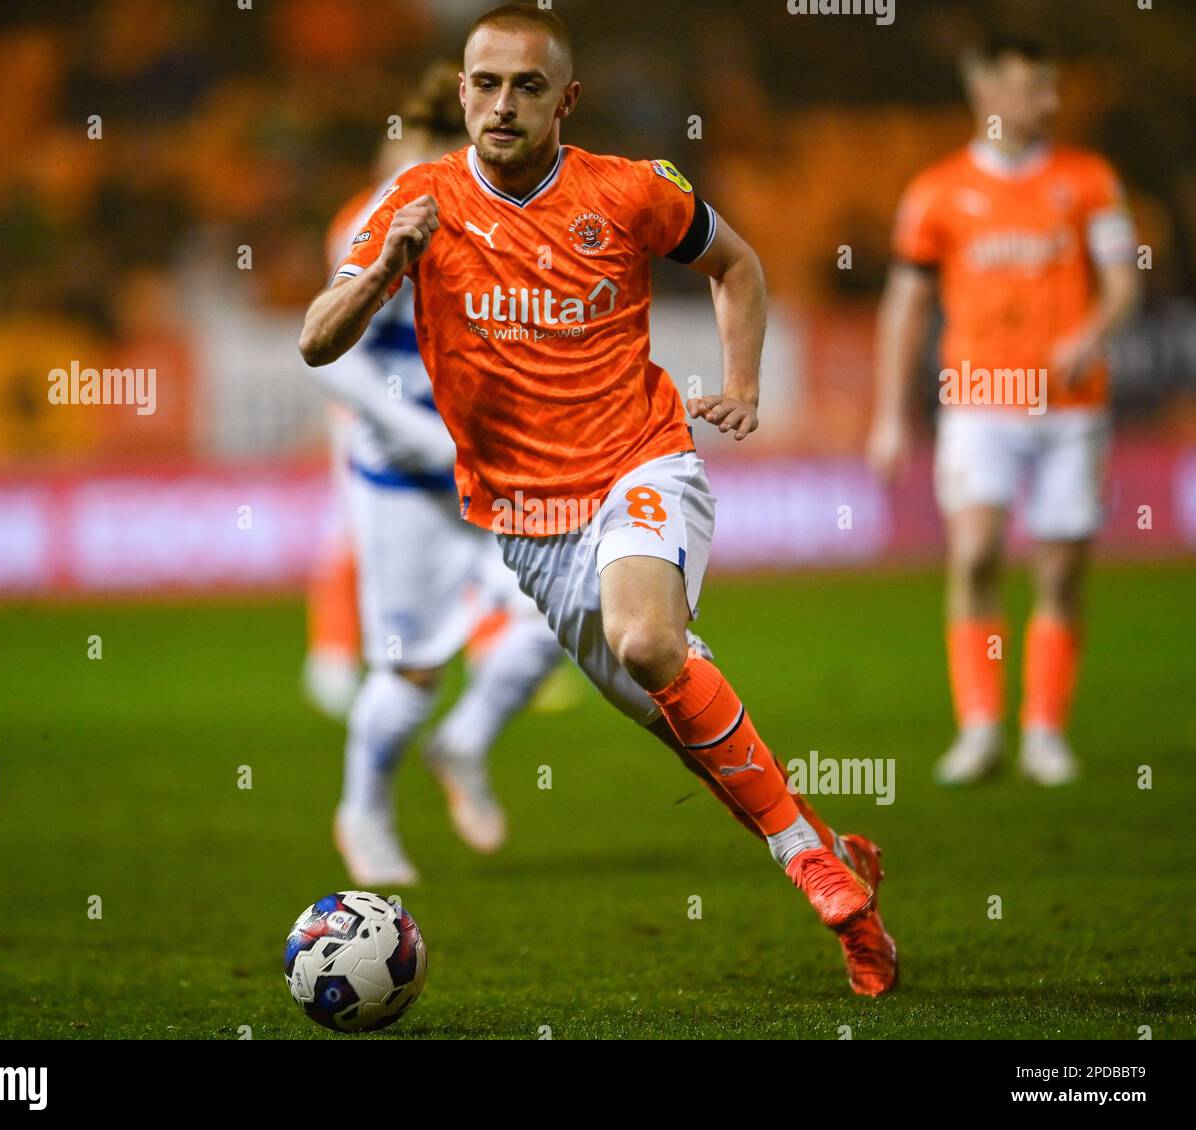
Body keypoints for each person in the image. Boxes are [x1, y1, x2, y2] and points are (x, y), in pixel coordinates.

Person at [302, 4, 896, 996]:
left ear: (564, 100)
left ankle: (807, 865)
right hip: (531, 528)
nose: (502, 104)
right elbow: (320, 340)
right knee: (681, 719)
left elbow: (737, 265)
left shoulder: (627, 191)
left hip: (641, 465)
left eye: (527, 86)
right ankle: (828, 848)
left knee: (648, 643)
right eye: (484, 84)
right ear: (460, 93)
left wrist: (741, 388)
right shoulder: (416, 199)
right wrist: (387, 271)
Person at [309, 60, 564, 886]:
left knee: (557, 619)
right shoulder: (380, 217)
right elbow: (332, 360)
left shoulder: (501, 215)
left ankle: (464, 744)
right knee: (412, 668)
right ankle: (365, 812)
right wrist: (419, 433)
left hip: (495, 472)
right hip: (407, 485)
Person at [869, 35, 1140, 786]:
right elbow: (906, 305)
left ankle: (1045, 731)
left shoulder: (1088, 180)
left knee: (1058, 569)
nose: (1049, 102)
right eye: (1033, 88)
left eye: (1051, 87)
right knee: (977, 552)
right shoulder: (937, 192)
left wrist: (1090, 334)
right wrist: (889, 415)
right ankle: (982, 727)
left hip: (1072, 407)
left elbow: (1122, 283)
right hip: (979, 402)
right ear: (986, 94)